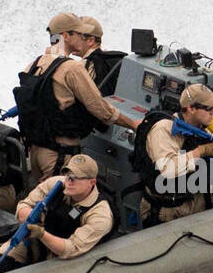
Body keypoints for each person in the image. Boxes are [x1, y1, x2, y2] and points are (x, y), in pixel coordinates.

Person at [18, 12, 141, 181]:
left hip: (35, 151)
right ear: (66, 36)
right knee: (59, 204)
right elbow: (99, 108)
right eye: (78, 34)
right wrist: (133, 123)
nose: (82, 38)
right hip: (58, 154)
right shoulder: (71, 69)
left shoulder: (34, 64)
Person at [131, 83, 213, 225]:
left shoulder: (201, 132)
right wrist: (200, 151)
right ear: (191, 108)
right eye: (208, 108)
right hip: (168, 206)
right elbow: (167, 169)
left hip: (193, 194)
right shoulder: (164, 129)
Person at [0, 154, 113, 270]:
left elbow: (71, 249)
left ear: (92, 182)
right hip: (40, 240)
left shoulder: (100, 216)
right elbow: (22, 207)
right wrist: (34, 217)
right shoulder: (57, 184)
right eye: (68, 174)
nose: (69, 181)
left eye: (76, 177)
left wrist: (42, 234)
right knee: (2, 263)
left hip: (69, 255)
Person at [76, 16, 125, 96]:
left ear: (90, 41)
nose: (70, 40)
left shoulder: (83, 66)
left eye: (76, 37)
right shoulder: (114, 59)